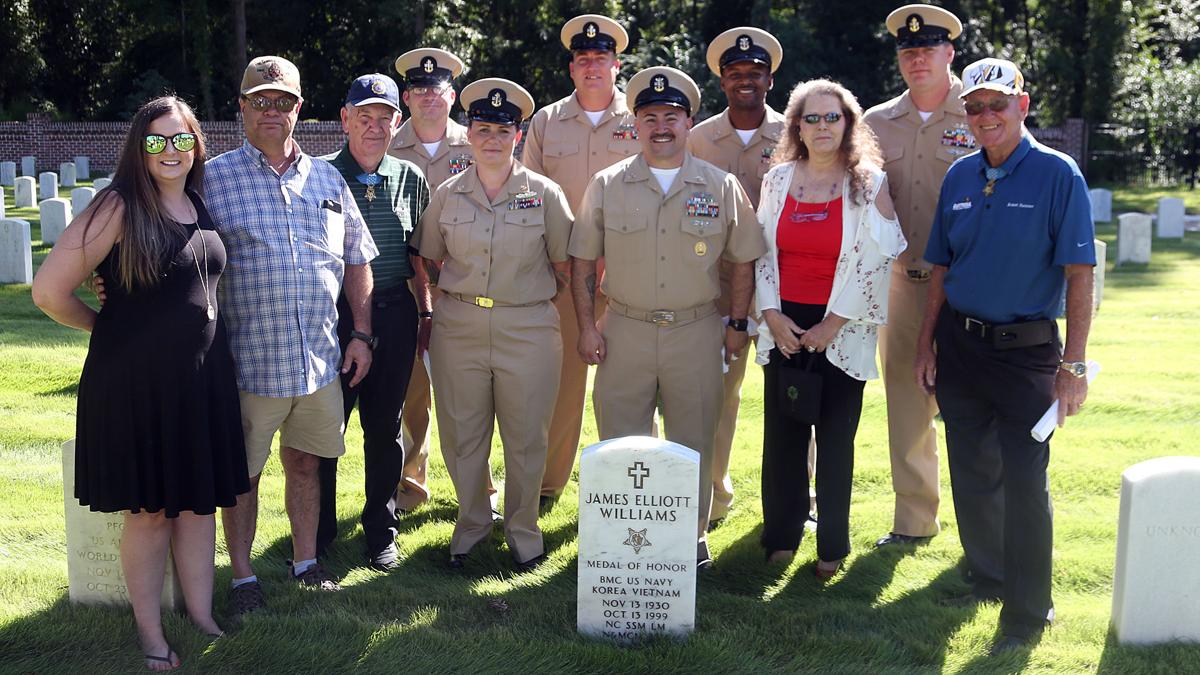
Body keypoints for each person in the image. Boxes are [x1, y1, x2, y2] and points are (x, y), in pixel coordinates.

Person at [32, 96, 250, 670]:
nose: (170, 150)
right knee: (150, 511)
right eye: (156, 140)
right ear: (139, 148)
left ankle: (201, 617)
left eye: (181, 138)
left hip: (201, 382)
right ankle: (151, 633)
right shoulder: (118, 206)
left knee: (198, 505)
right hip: (136, 386)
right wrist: (104, 326)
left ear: (196, 143)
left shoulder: (197, 202)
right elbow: (49, 291)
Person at [916, 57, 1094, 654]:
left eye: (997, 103)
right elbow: (942, 267)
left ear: (1022, 104)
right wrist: (926, 344)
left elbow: (1079, 274)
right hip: (960, 347)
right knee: (972, 471)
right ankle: (987, 576)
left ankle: (1027, 611)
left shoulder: (1057, 173)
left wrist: (1073, 366)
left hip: (1026, 354)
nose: (985, 116)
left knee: (1025, 481)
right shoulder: (961, 176)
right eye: (974, 106)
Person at [569, 66, 767, 568]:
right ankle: (620, 538)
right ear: (635, 123)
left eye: (672, 116)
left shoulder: (720, 186)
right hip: (626, 328)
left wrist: (738, 324)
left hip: (696, 329)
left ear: (688, 121)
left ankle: (690, 536)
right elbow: (583, 261)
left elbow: (743, 258)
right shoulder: (608, 185)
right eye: (650, 115)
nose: (661, 125)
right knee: (618, 439)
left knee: (694, 438)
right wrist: (589, 326)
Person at [204, 56, 378, 613]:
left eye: (283, 101)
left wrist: (363, 334)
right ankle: (242, 577)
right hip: (248, 362)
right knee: (243, 476)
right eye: (260, 100)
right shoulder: (212, 178)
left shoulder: (327, 178)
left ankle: (306, 562)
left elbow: (356, 260)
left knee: (305, 462)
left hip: (318, 359)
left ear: (299, 109)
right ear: (242, 106)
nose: (271, 111)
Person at [412, 78, 573, 571]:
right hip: (458, 324)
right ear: (469, 132)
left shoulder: (545, 194)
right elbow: (425, 256)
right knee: (462, 433)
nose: (492, 139)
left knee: (525, 436)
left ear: (517, 136)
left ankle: (522, 531)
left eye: (502, 131)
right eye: (482, 129)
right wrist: (437, 306)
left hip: (526, 327)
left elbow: (568, 266)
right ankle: (472, 524)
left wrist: (526, 302)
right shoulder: (447, 193)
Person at [753, 79, 904, 576]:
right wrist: (772, 315)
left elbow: (879, 260)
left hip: (843, 327)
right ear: (796, 125)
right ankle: (781, 536)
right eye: (811, 118)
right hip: (785, 324)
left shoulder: (870, 183)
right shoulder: (776, 181)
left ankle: (832, 548)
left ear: (848, 124)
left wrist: (831, 324)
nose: (822, 127)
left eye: (832, 117)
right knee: (783, 439)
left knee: (836, 441)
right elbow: (760, 254)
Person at [863, 3, 974, 548]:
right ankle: (913, 523)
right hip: (904, 283)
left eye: (927, 50)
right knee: (908, 404)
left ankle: (987, 527)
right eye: (908, 52)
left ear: (949, 54)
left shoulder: (979, 114)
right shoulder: (875, 122)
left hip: (971, 287)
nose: (917, 60)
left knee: (974, 405)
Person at [520, 14, 641, 508]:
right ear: (572, 68)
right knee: (561, 390)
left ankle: (633, 489)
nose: (592, 67)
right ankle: (548, 486)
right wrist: (552, 265)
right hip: (567, 279)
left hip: (633, 278)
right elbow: (527, 199)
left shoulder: (641, 117)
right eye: (583, 59)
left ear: (617, 65)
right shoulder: (547, 122)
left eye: (601, 59)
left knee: (630, 390)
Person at [315, 73, 430, 570]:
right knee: (325, 426)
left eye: (385, 118)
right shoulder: (318, 175)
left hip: (395, 311)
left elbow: (420, 254)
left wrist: (425, 312)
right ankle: (316, 530)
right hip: (335, 316)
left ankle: (380, 529)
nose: (375, 127)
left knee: (384, 427)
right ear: (345, 119)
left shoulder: (411, 178)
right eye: (364, 117)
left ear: (397, 122)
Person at [687, 26, 790, 530]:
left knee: (794, 396)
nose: (744, 81)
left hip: (786, 287)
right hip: (715, 287)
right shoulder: (698, 139)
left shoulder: (796, 133)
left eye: (754, 73)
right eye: (735, 74)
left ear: (770, 80)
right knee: (715, 397)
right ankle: (711, 498)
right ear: (722, 81)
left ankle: (799, 502)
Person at [387, 47, 486, 514]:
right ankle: (411, 484)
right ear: (407, 97)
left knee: (471, 397)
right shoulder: (387, 147)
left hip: (465, 289)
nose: (430, 97)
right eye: (420, 90)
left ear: (453, 96)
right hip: (405, 289)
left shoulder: (478, 143)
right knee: (411, 394)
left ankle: (481, 491)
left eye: (438, 89)